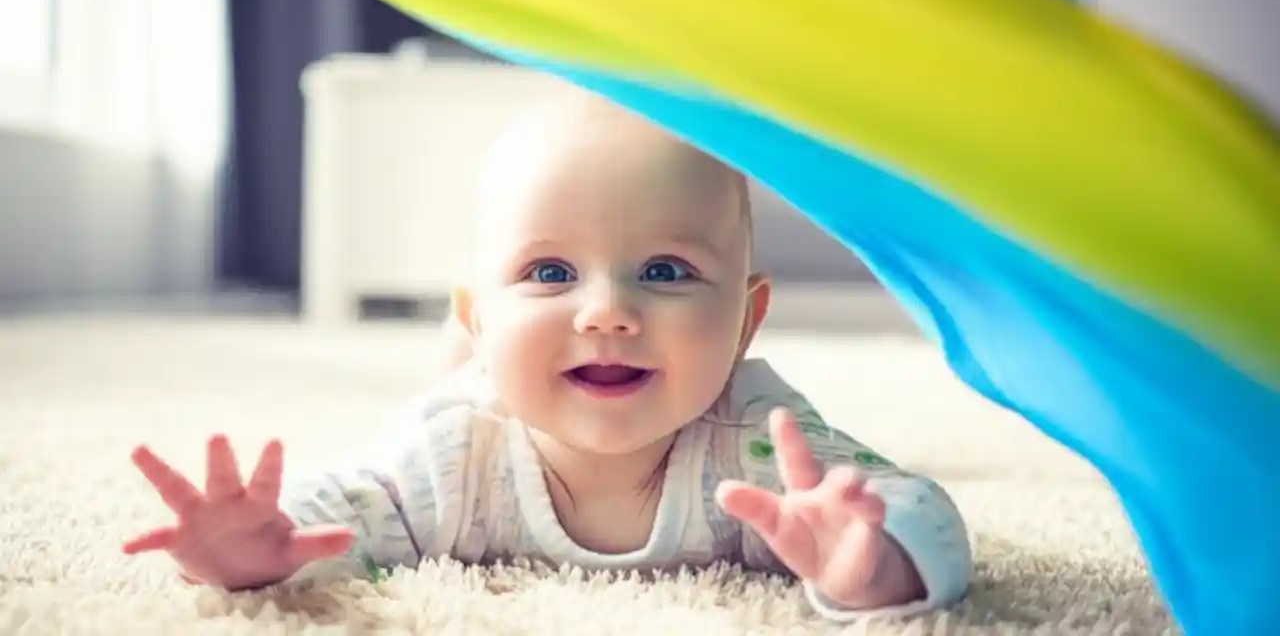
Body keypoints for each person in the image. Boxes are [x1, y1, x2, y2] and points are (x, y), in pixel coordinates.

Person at [123, 86, 971, 620]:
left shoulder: (755, 446)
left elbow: (920, 509)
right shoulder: (453, 459)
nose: (608, 313)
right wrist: (254, 550)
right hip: (484, 386)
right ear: (486, 317)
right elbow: (345, 508)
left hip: (528, 360)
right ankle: (464, 347)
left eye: (666, 271)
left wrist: (875, 559)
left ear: (747, 324)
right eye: (552, 269)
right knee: (452, 392)